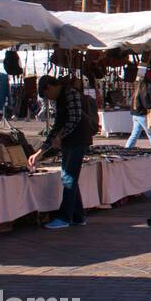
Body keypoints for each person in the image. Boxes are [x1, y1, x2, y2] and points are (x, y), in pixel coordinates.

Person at [27, 76, 93, 230]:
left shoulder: (70, 94)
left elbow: (74, 119)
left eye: (46, 95)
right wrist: (39, 153)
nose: (48, 99)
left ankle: (65, 217)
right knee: (69, 178)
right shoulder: (59, 98)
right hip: (70, 142)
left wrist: (60, 136)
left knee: (68, 178)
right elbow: (57, 126)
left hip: (78, 141)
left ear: (49, 87)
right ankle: (77, 216)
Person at [125, 78, 151, 149]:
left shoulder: (135, 94)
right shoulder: (143, 93)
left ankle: (127, 148)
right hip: (142, 115)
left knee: (134, 134)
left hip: (135, 115)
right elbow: (147, 105)